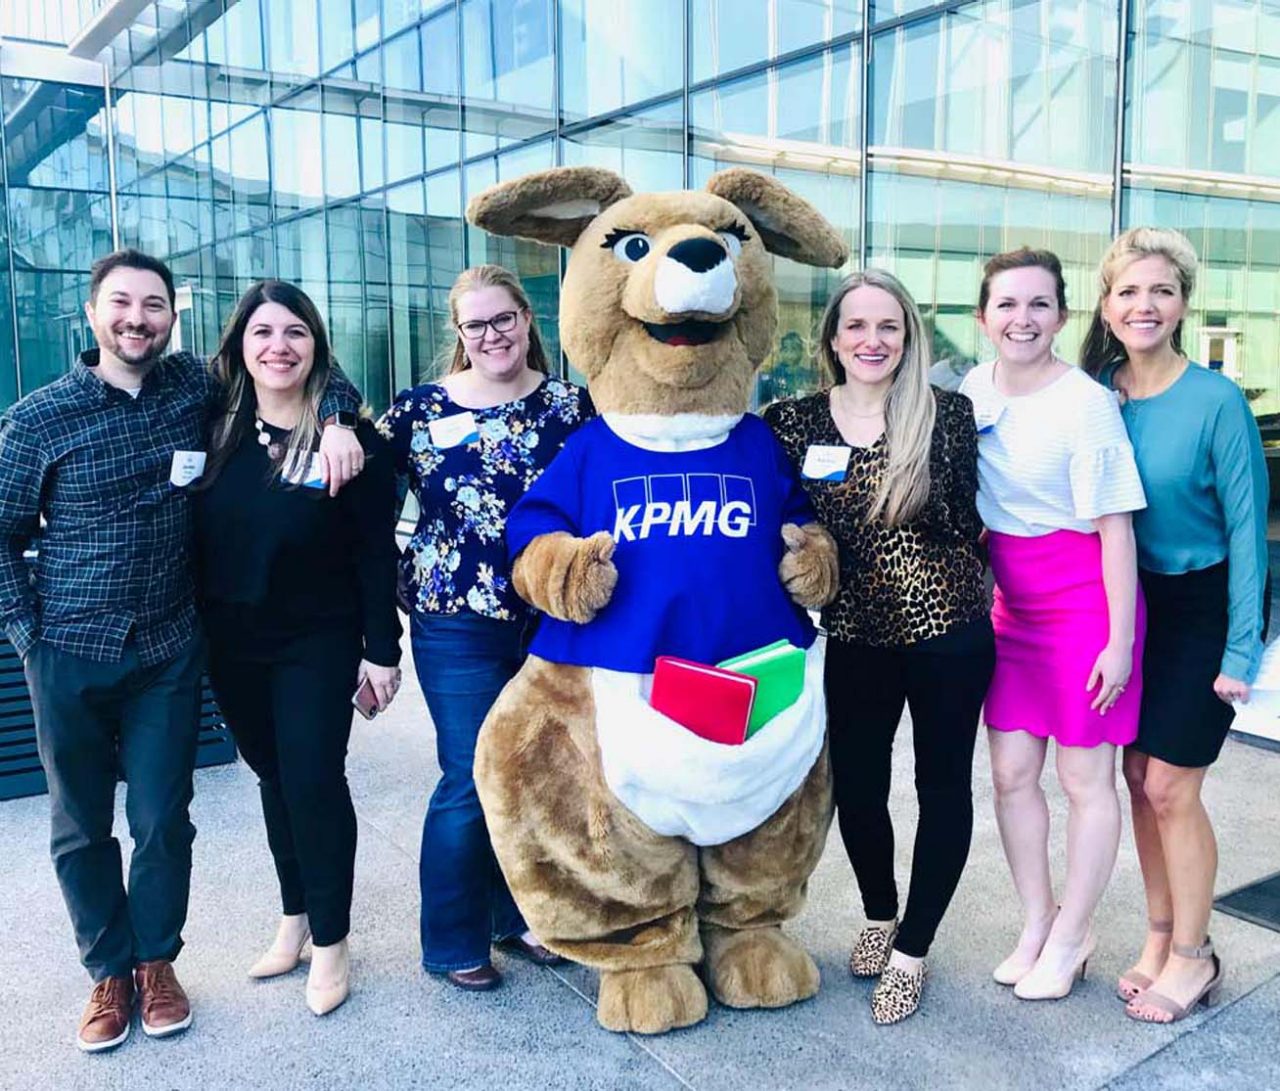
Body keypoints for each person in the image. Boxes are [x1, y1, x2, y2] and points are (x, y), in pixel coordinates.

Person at [0, 250, 364, 1052]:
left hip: (168, 646)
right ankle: (109, 969)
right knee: (80, 824)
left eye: (154, 305)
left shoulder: (195, 389)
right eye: (121, 304)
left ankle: (157, 962)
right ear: (90, 315)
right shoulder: (37, 418)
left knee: (165, 819)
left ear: (173, 316)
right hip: (68, 648)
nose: (137, 318)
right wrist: (29, 639)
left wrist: (337, 417)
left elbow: (299, 368)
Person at [763, 270, 993, 1025]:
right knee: (857, 788)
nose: (872, 340)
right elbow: (776, 519)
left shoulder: (946, 415)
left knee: (941, 789)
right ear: (833, 337)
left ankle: (912, 950)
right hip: (857, 634)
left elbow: (967, 525)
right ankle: (878, 911)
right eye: (856, 326)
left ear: (908, 335)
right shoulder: (791, 422)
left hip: (947, 632)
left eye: (888, 326)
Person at [376, 264, 592, 991]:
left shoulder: (573, 405)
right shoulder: (418, 410)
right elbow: (360, 508)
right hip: (455, 620)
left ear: (527, 320)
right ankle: (451, 938)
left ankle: (517, 914)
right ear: (459, 335)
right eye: (477, 324)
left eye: (503, 319)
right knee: (470, 775)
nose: (492, 334)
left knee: (537, 774)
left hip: (555, 618)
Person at [192, 280, 402, 1017]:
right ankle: (295, 917)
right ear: (240, 346)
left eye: (295, 333)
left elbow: (377, 553)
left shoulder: (352, 441)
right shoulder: (212, 426)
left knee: (313, 779)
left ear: (316, 345)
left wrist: (383, 650)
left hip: (317, 639)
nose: (278, 346)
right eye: (262, 333)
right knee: (273, 780)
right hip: (233, 642)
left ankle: (335, 941)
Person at [1081, 228, 1269, 1024]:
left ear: (1184, 303)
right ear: (1107, 305)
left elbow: (1249, 529)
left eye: (1160, 290)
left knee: (1170, 783)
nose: (1144, 305)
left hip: (1200, 608)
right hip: (1129, 605)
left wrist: (1241, 647)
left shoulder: (1216, 399)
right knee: (1133, 778)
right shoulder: (1096, 392)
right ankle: (1160, 936)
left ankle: (1195, 955)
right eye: (1129, 291)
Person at [960, 247, 1147, 1001]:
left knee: (1083, 777)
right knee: (1009, 774)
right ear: (983, 318)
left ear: (1062, 316)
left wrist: (1121, 640)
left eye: (1039, 304)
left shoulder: (1085, 402)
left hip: (1084, 604)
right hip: (1010, 608)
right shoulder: (971, 391)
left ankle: (1074, 934)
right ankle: (1038, 919)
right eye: (1007, 304)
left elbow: (1116, 529)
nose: (1022, 319)